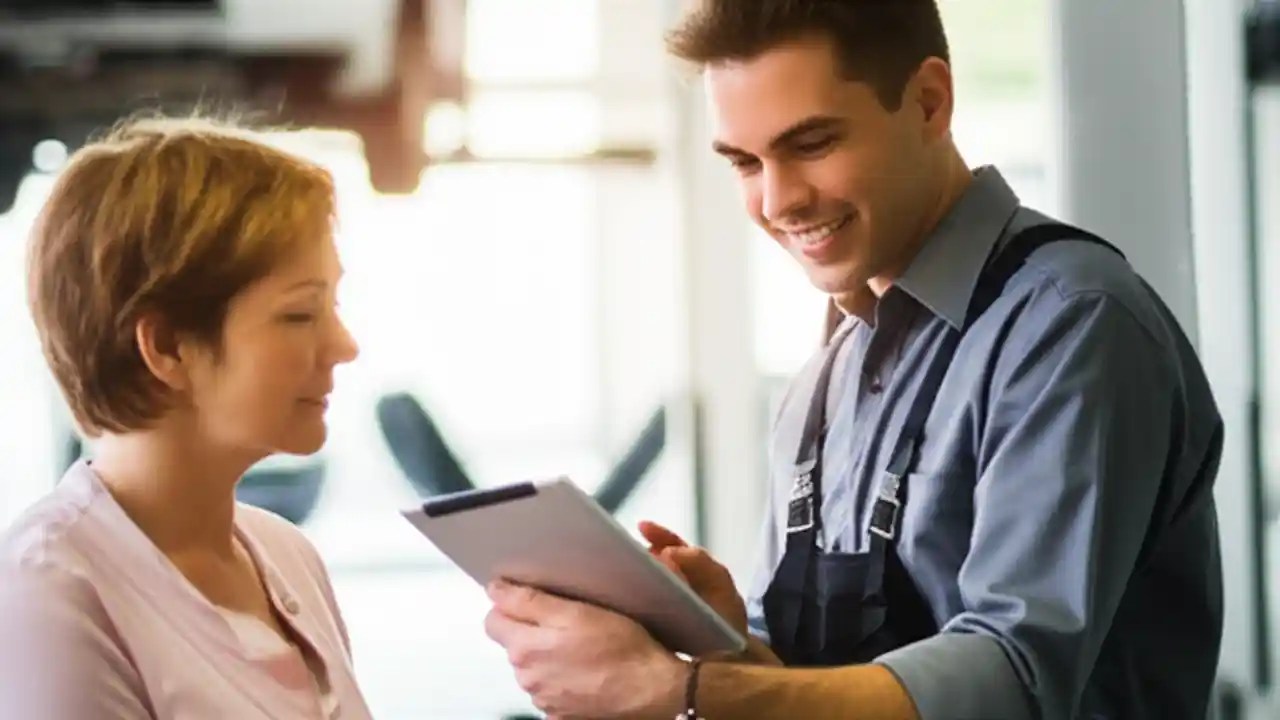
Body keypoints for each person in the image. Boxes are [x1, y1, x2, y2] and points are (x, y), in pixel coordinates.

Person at [481, 1, 1224, 719]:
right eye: (744, 162)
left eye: (811, 145)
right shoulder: (826, 373)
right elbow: (817, 691)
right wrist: (722, 642)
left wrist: (680, 691)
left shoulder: (1072, 323)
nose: (778, 201)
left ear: (929, 103)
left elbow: (1013, 683)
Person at [0, 116, 373, 718]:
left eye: (332, 306)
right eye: (301, 315)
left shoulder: (287, 555)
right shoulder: (51, 591)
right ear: (169, 347)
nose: (344, 345)